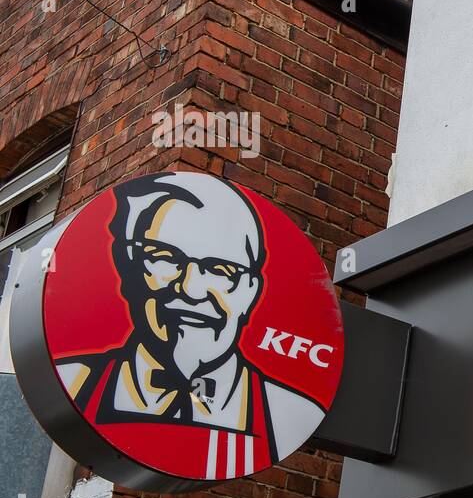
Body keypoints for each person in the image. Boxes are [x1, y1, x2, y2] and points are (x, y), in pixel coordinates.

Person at [56, 173, 322, 479]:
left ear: (250, 291)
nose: (192, 289)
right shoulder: (71, 383)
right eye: (165, 258)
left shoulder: (288, 415)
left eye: (221, 270)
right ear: (129, 269)